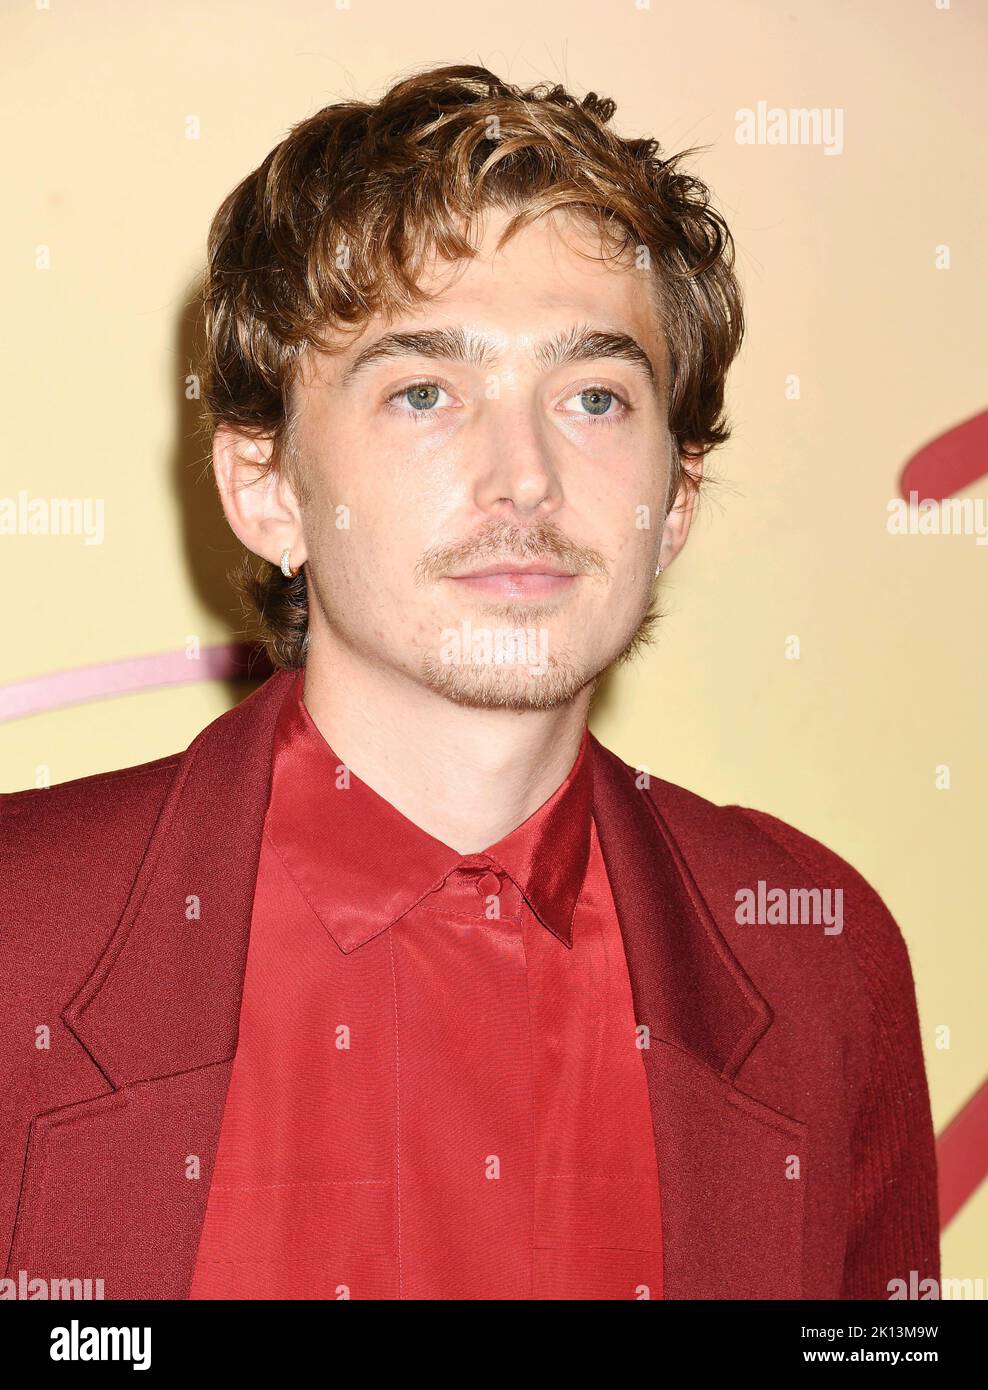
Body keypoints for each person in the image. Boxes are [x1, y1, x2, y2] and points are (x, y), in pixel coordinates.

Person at [0, 64, 939, 1300]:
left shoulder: (821, 962)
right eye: (425, 392)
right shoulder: (23, 932)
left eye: (595, 397)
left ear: (676, 503)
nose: (524, 478)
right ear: (265, 487)